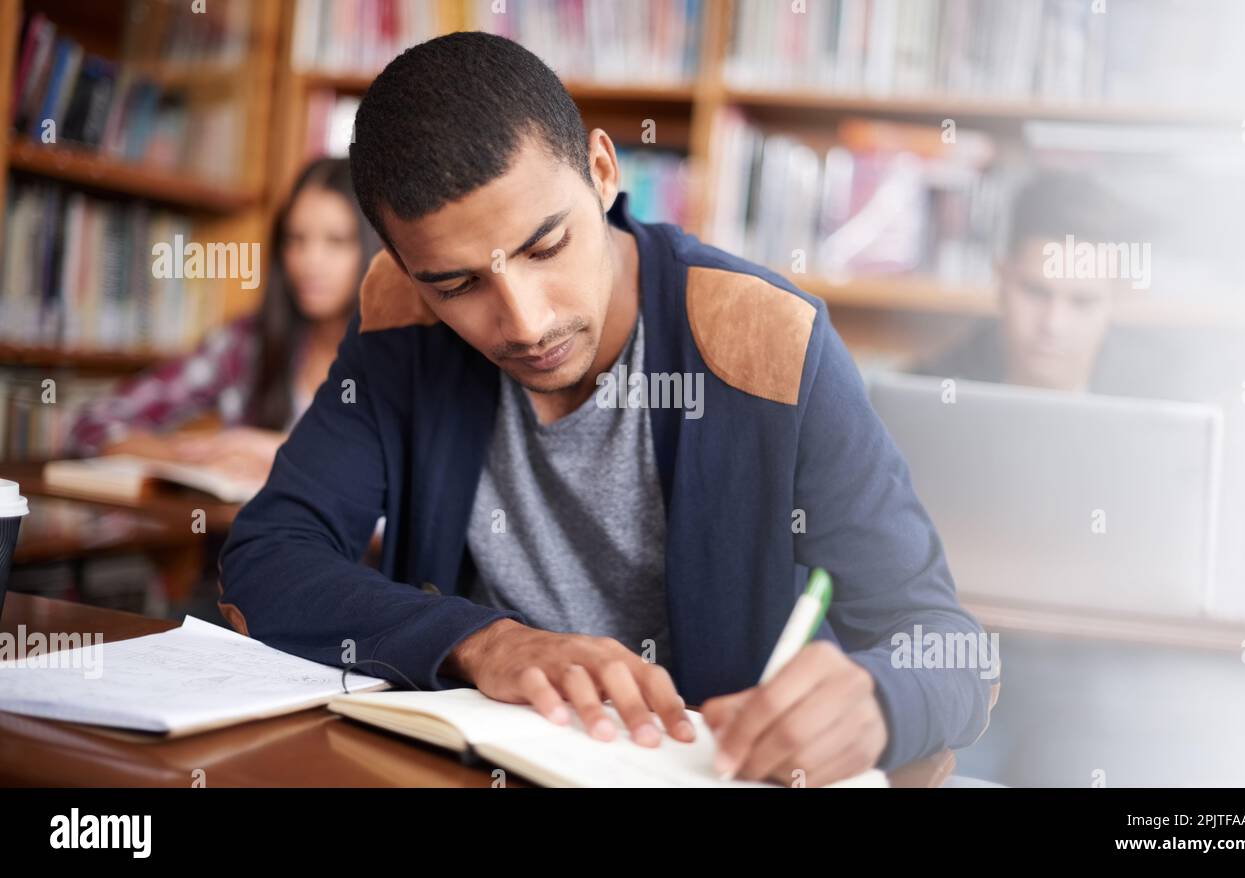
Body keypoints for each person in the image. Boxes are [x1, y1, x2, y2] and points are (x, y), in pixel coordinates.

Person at [218, 32, 998, 787]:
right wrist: (484, 642)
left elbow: (950, 645)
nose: (525, 324)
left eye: (546, 246)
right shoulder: (400, 321)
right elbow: (270, 555)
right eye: (457, 286)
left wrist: (883, 701)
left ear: (601, 169)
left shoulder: (771, 338)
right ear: (403, 265)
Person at [67, 158, 382, 487]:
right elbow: (93, 424)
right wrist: (196, 457)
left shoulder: (403, 355)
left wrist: (267, 450)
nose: (309, 262)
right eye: (296, 239)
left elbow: (400, 477)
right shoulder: (245, 343)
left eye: (337, 241)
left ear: (376, 249)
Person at [914, 172, 1165, 395]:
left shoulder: (1168, 404)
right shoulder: (925, 395)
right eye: (1035, 292)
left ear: (1119, 297)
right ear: (1002, 279)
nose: (1053, 324)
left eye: (1082, 302)